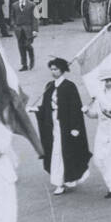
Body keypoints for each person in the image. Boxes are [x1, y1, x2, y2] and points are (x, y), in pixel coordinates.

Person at [34, 57, 91, 196]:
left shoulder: (69, 86)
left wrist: (75, 127)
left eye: (56, 69)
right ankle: (59, 180)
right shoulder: (49, 86)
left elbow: (75, 107)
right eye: (52, 69)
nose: (53, 72)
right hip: (51, 124)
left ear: (62, 70)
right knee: (54, 151)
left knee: (63, 151)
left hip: (65, 125)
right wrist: (36, 109)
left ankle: (65, 179)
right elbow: (46, 106)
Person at [9, 0, 39, 71]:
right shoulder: (14, 5)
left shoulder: (32, 4)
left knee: (27, 45)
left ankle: (32, 60)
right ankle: (24, 64)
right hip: (19, 29)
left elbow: (35, 18)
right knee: (21, 47)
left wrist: (35, 30)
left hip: (28, 29)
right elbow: (12, 16)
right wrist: (14, 25)